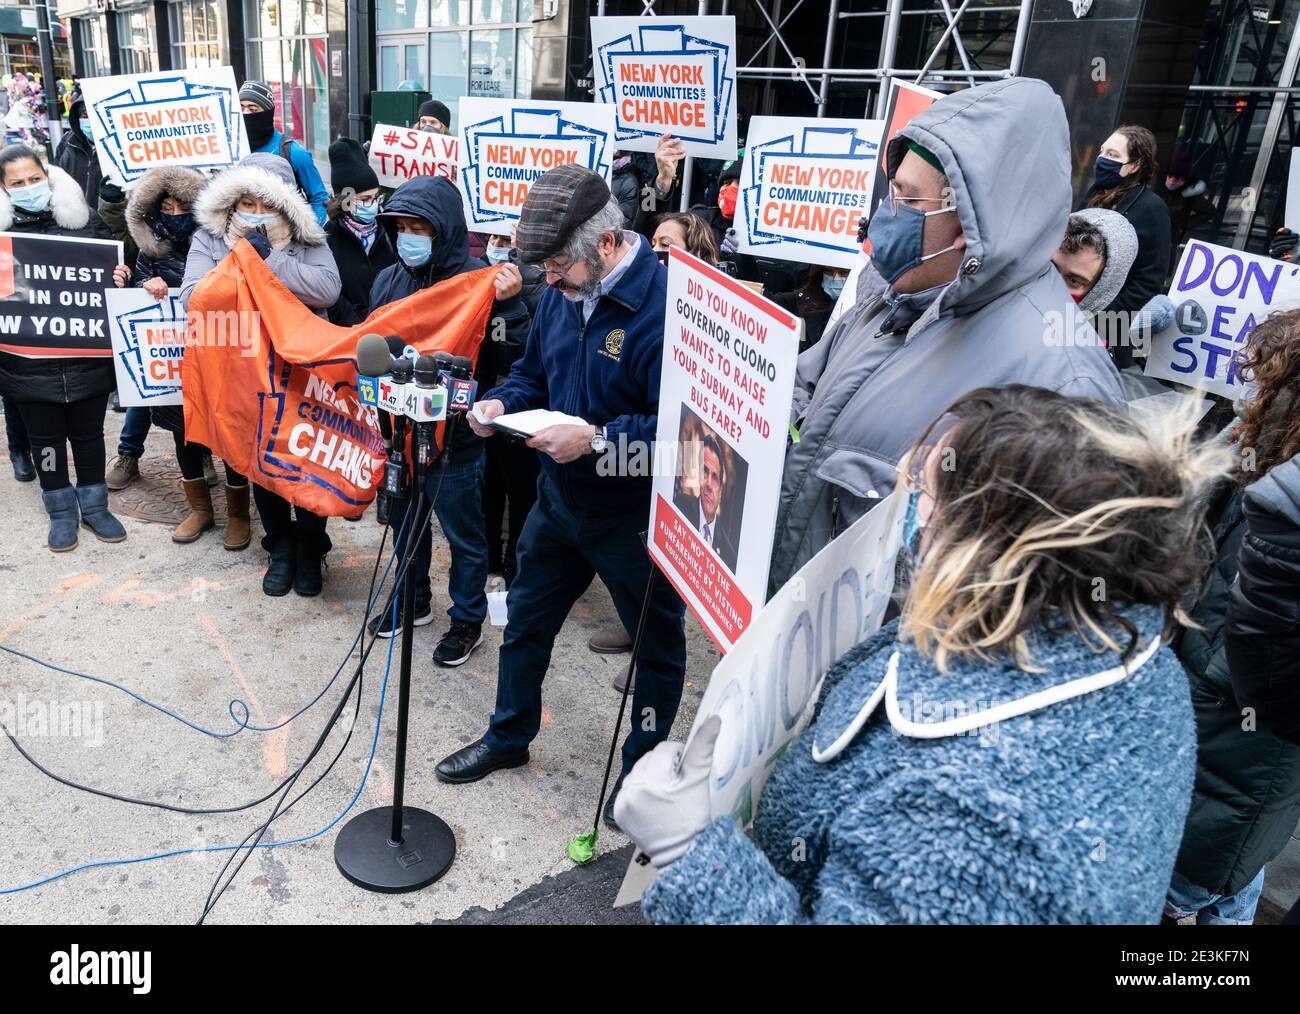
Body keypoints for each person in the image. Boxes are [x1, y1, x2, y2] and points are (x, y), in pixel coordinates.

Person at [617, 384, 1229, 924]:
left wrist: (690, 855)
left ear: (986, 547)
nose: (905, 508)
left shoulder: (975, 822)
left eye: (923, 494)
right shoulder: (1114, 638)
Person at [771, 77, 1125, 592]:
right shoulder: (891, 294)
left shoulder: (1064, 383)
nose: (883, 217)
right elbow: (805, 387)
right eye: (891, 193)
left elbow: (1045, 603)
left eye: (907, 200)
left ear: (972, 221)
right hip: (793, 633)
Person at [435, 165, 687, 833]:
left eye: (559, 265)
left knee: (656, 650)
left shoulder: (670, 310)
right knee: (524, 625)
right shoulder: (559, 292)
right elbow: (532, 374)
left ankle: (640, 774)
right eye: (542, 265)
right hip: (558, 504)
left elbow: (684, 441)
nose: (548, 279)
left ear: (605, 246)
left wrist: (597, 439)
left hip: (635, 519)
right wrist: (500, 403)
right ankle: (508, 737)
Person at [1165, 309, 1300, 926]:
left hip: (1230, 745)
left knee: (1203, 889)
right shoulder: (1254, 454)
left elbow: (1248, 656)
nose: (1254, 394)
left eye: (1268, 382)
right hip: (1223, 745)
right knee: (1228, 881)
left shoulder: (1280, 500)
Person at [365, 175, 530, 663]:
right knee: (403, 524)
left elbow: (513, 359)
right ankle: (411, 602)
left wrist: (513, 306)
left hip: (455, 440)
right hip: (397, 433)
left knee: (464, 537)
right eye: (401, 227)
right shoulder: (388, 279)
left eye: (421, 226)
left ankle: (465, 622)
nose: (409, 237)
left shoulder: (481, 281)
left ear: (446, 230)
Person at [182, 151, 341, 594]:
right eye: (247, 204)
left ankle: (312, 547)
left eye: (265, 204)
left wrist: (276, 255)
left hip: (300, 372)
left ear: (284, 206)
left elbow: (327, 289)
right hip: (243, 371)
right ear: (232, 205)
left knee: (304, 458)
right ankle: (281, 546)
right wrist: (236, 257)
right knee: (262, 460)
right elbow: (193, 297)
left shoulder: (307, 238)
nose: (255, 214)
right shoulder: (211, 239)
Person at [108, 166, 251, 551]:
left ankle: (238, 513)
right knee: (182, 431)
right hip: (174, 360)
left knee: (229, 430)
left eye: (183, 204)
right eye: (166, 206)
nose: (174, 213)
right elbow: (137, 295)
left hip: (223, 352)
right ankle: (200, 509)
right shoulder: (149, 247)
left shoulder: (220, 239)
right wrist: (141, 284)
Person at [0, 143, 125, 551]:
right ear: (4, 190)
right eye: (16, 183)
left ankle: (95, 505)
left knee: (89, 434)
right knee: (47, 441)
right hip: (27, 365)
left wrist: (119, 274)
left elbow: (110, 266)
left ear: (48, 178)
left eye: (34, 179)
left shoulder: (84, 223)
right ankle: (60, 511)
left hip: (85, 358)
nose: (28, 187)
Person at [481, 229, 543, 597]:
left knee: (522, 494)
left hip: (522, 409)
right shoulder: (473, 275)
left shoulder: (542, 289)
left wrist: (511, 305)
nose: (501, 248)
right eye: (495, 240)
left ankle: (515, 567)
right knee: (488, 492)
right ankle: (489, 563)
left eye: (509, 240)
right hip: (485, 403)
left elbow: (523, 358)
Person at [1084, 124, 1172, 368]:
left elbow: (1148, 281)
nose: (1102, 159)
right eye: (1102, 151)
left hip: (1105, 332)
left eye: (1113, 155)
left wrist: (1098, 320)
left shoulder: (1151, 209)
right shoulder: (1095, 195)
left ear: (1134, 166)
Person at [323, 137, 396, 327]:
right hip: (349, 331)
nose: (372, 204)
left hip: (389, 324)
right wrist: (357, 323)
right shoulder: (328, 237)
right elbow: (331, 295)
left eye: (376, 197)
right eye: (365, 199)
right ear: (345, 199)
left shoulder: (388, 229)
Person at [238, 80, 329, 226]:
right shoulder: (232, 148)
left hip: (284, 239)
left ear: (267, 112)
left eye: (253, 109)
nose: (246, 114)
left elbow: (319, 198)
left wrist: (309, 235)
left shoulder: (292, 152)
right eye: (241, 108)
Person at [672, 434, 739, 572]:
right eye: (705, 471)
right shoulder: (678, 506)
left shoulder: (729, 556)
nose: (708, 484)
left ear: (721, 489)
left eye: (715, 477)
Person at [769, 264, 850, 353]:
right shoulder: (805, 297)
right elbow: (771, 302)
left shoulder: (862, 309)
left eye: (844, 272)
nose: (835, 278)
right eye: (829, 271)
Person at [1160, 149, 1215, 272]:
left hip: (1168, 241)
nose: (1172, 181)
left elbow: (1209, 212)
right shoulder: (1159, 189)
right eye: (1169, 176)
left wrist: (1182, 224)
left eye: (1177, 178)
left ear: (1185, 180)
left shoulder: (1190, 196)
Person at [53, 89, 99, 208]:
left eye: (94, 114)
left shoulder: (119, 145)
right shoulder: (67, 142)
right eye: (85, 115)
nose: (90, 120)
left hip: (110, 217)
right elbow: (55, 177)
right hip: (74, 214)